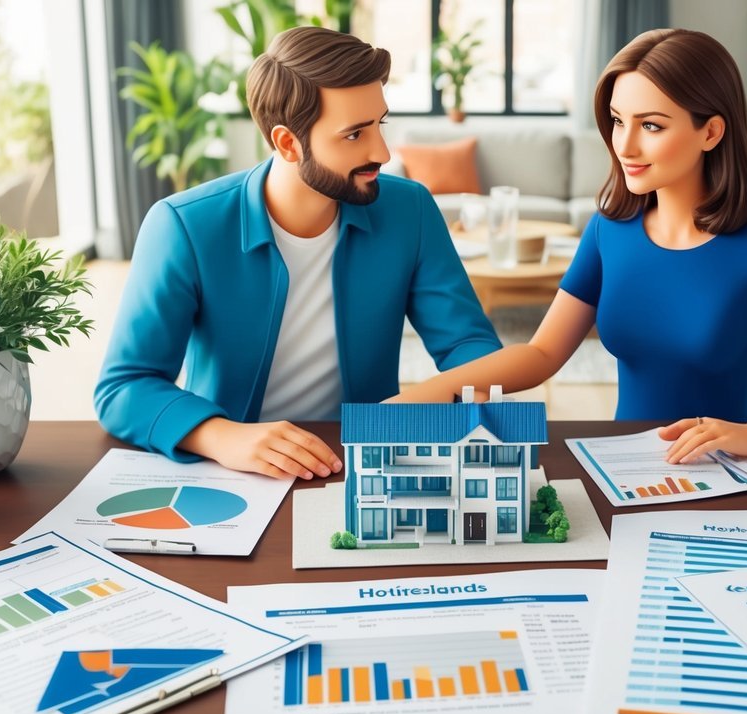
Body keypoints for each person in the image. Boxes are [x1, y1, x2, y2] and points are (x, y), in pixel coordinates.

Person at [393, 29, 747, 463]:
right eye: (618, 121)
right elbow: (541, 355)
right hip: (620, 466)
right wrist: (433, 389)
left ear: (711, 132)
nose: (625, 146)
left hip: (719, 470)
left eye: (651, 126)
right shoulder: (607, 232)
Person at [95, 27, 501, 480]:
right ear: (288, 143)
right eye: (354, 135)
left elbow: (468, 344)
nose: (382, 152)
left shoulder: (411, 211)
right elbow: (124, 387)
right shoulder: (184, 225)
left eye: (380, 124)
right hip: (232, 471)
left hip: (359, 466)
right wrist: (221, 436)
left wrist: (467, 390)